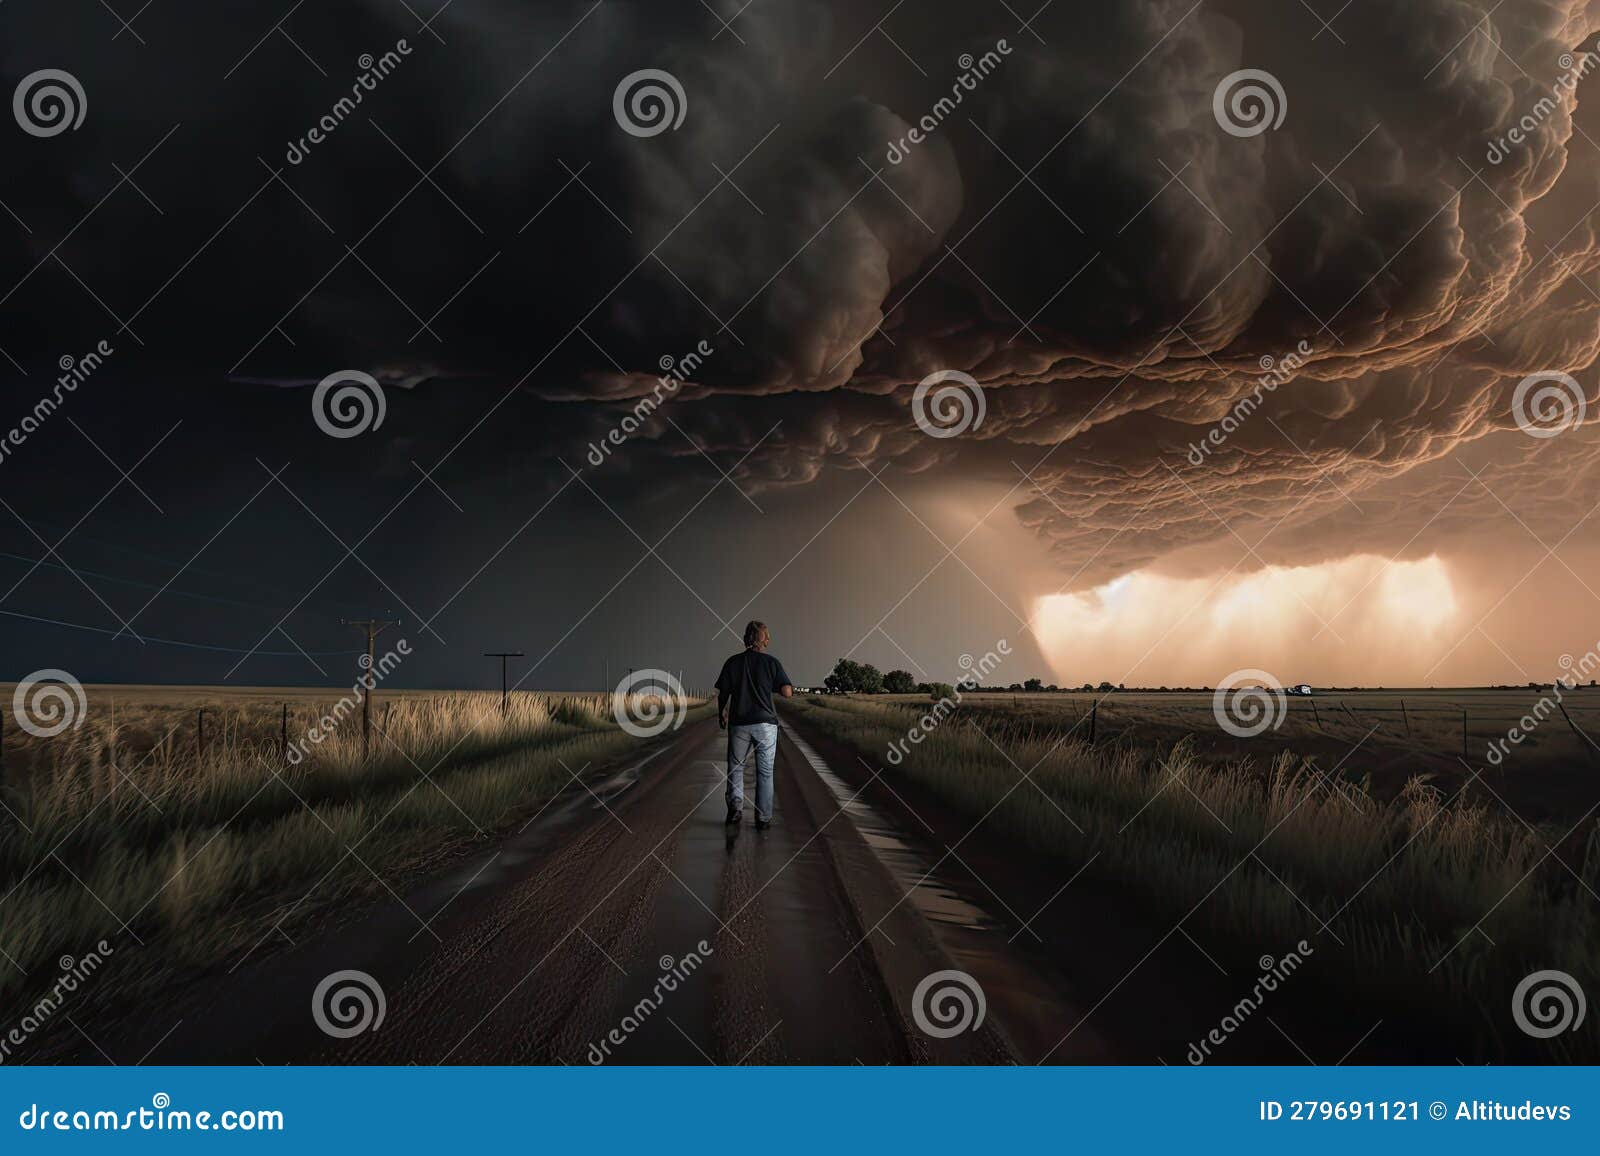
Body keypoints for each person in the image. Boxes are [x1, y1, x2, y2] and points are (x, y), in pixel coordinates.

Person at [714, 620, 793, 829]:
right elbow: (786, 692)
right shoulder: (772, 663)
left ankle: (734, 811)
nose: (769, 639)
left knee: (735, 768)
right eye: (767, 635)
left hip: (739, 723)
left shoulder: (732, 662)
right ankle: (763, 818)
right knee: (765, 772)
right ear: (762, 640)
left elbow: (723, 693)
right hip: (766, 725)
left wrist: (722, 712)